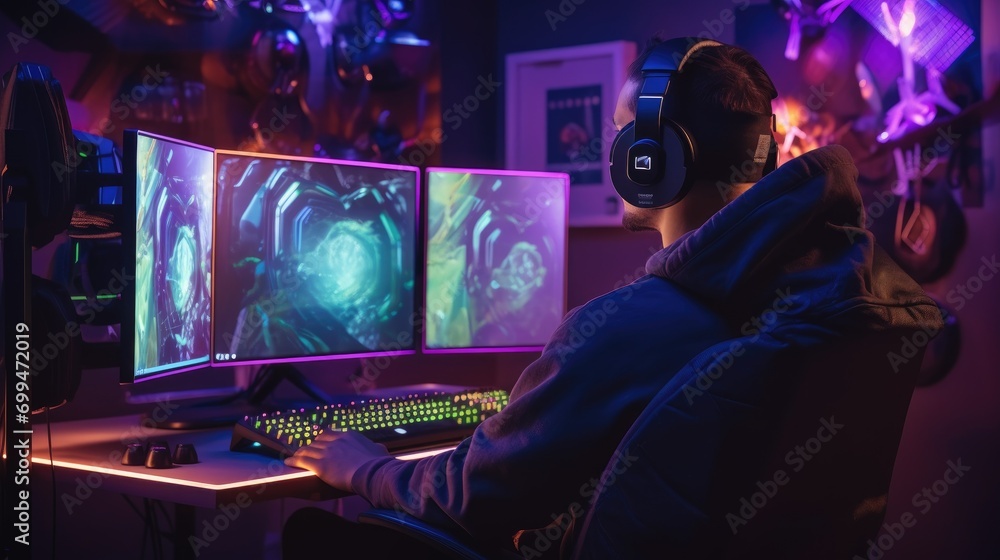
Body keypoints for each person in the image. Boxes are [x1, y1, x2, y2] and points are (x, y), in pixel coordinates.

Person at [282, 37, 943, 558]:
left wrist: (365, 466)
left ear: (654, 158)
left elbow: (469, 496)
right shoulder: (845, 287)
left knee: (317, 536)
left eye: (625, 133)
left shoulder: (623, 328)